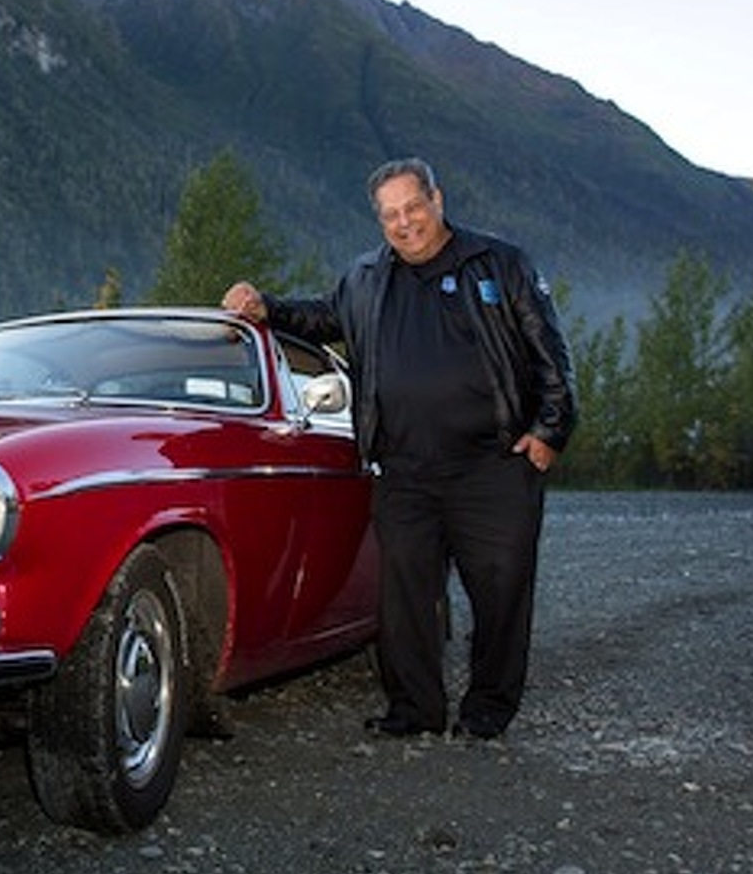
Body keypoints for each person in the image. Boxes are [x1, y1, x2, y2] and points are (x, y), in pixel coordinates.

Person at [223, 157, 575, 740]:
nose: (404, 223)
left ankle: (487, 712)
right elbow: (323, 317)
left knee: (500, 593)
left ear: (437, 199)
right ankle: (414, 711)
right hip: (405, 470)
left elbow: (550, 354)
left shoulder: (500, 263)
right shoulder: (366, 277)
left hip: (493, 465)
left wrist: (549, 434)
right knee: (404, 597)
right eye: (391, 215)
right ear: (379, 220)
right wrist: (265, 306)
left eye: (413, 207)